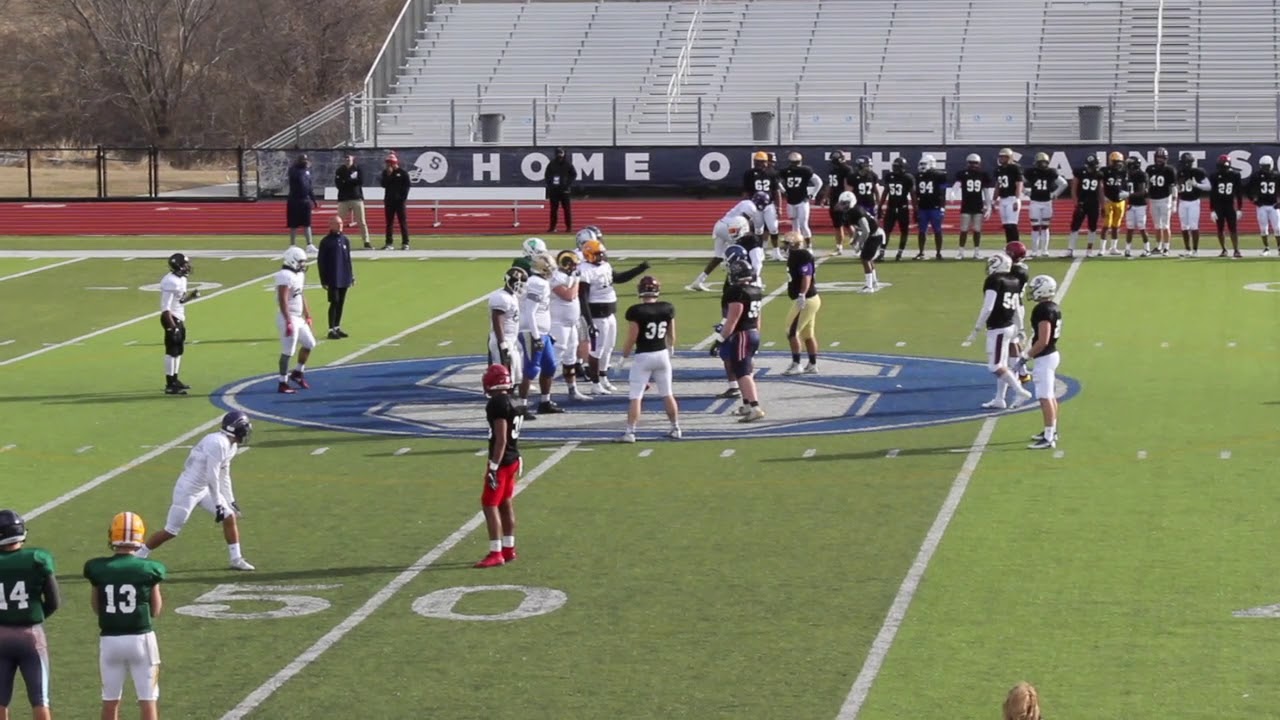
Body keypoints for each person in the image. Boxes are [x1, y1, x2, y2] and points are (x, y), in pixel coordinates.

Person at [136, 411, 255, 571]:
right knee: (171, 531)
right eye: (245, 427)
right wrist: (219, 503)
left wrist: (230, 500)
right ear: (237, 428)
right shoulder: (218, 443)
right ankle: (139, 555)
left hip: (204, 489)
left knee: (229, 516)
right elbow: (211, 475)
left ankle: (236, 558)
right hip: (188, 490)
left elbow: (223, 474)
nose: (247, 431)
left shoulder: (230, 445)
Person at [84, 512, 167, 720]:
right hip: (141, 640)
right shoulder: (150, 569)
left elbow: (97, 607)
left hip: (110, 640)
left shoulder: (98, 567)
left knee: (110, 701)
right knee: (147, 700)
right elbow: (155, 610)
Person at [0, 510, 59, 720]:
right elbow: (53, 602)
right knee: (39, 698)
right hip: (30, 636)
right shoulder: (37, 559)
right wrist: (32, 616)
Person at [578, 239, 650, 395]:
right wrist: (589, 322)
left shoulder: (605, 265)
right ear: (588, 255)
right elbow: (582, 298)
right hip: (597, 315)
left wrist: (639, 269)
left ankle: (603, 377)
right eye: (598, 254)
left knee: (609, 347)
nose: (602, 256)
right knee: (597, 350)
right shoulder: (585, 270)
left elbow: (619, 278)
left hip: (609, 313)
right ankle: (595, 383)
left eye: (602, 253)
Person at [965, 253, 1033, 410]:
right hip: (1010, 326)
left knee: (995, 366)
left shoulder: (994, 280)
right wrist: (1021, 327)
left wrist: (976, 329)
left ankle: (1019, 390)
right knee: (1002, 364)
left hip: (998, 327)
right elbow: (1016, 307)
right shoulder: (1014, 280)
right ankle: (999, 399)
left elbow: (988, 307)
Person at [616, 275, 680, 443]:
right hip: (662, 355)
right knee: (667, 394)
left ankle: (630, 432)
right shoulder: (667, 308)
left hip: (643, 356)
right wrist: (671, 347)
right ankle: (676, 427)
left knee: (636, 396)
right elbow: (672, 334)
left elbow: (632, 338)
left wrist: (623, 357)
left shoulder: (636, 311)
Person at [476, 364, 522, 568]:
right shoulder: (513, 400)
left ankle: (496, 552)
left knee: (489, 504)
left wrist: (493, 467)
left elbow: (501, 439)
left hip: (502, 461)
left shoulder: (497, 403)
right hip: (513, 458)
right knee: (505, 502)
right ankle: (508, 548)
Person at [712, 258, 765, 422]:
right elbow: (758, 319)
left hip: (742, 334)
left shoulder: (736, 292)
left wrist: (719, 341)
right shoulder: (755, 290)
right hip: (752, 332)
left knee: (743, 372)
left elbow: (732, 320)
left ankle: (755, 407)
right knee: (743, 369)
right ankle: (748, 405)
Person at [518, 252, 564, 418]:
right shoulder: (537, 283)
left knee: (550, 366)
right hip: (532, 332)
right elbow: (530, 312)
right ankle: (522, 406)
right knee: (531, 369)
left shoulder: (540, 282)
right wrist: (536, 337)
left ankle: (544, 402)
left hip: (541, 332)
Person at [1022, 275, 1062, 450]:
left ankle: (1048, 437)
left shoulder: (1042, 310)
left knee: (1045, 397)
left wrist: (1026, 355)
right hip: (1051, 354)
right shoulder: (1053, 307)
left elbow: (1043, 340)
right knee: (1049, 396)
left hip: (1045, 356)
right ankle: (1051, 430)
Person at [273, 246, 316, 395]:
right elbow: (282, 299)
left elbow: (300, 294)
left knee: (310, 343)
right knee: (288, 351)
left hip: (297, 316)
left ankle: (297, 372)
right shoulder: (284, 275)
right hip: (288, 316)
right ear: (292, 260)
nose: (303, 265)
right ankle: (282, 382)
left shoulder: (298, 275)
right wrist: (288, 320)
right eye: (301, 262)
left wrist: (308, 314)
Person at [548, 250, 591, 402]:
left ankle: (572, 390)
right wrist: (576, 281)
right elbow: (569, 296)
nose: (576, 268)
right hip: (558, 324)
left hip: (571, 323)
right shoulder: (556, 277)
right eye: (573, 264)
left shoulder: (568, 276)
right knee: (554, 358)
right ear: (565, 264)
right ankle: (545, 392)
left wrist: (574, 279)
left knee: (570, 358)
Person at [159, 253, 198, 396]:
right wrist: (172, 326)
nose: (188, 266)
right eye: (185, 264)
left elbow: (179, 301)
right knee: (172, 352)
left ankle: (175, 379)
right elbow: (165, 308)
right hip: (171, 318)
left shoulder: (181, 279)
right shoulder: (171, 281)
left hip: (178, 317)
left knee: (179, 351)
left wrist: (190, 297)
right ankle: (170, 383)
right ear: (179, 265)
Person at [781, 231, 820, 375]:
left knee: (791, 332)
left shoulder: (802, 255)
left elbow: (806, 276)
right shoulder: (795, 255)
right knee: (807, 334)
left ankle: (797, 364)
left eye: (786, 243)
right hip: (810, 299)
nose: (784, 246)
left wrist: (802, 294)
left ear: (792, 244)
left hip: (807, 299)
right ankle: (812, 364)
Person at [488, 267, 527, 409]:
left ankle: (511, 405)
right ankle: (503, 405)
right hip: (503, 340)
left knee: (516, 374)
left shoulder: (512, 296)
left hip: (511, 339)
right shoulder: (501, 297)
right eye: (517, 282)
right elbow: (497, 319)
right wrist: (502, 343)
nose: (519, 286)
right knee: (504, 376)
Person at [317, 217, 355, 340]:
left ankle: (337, 327)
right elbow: (321, 262)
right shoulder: (326, 242)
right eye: (337, 223)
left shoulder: (345, 240)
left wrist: (351, 275)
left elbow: (348, 259)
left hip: (344, 276)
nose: (340, 225)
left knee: (341, 303)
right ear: (331, 225)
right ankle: (331, 329)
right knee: (334, 302)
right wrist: (323, 279)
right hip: (333, 277)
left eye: (341, 223)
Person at [840, 194, 886, 293]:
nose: (843, 206)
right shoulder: (852, 211)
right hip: (874, 234)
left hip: (875, 235)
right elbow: (858, 228)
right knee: (868, 258)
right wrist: (855, 240)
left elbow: (866, 230)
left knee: (865, 258)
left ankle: (869, 287)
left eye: (845, 203)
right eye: (842, 204)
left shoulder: (855, 212)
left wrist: (860, 243)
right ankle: (874, 282)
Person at [1024, 152, 1067, 257]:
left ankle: (1044, 250)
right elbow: (1019, 182)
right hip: (1035, 202)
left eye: (1044, 162)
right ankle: (1034, 251)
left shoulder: (1051, 172)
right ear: (1036, 163)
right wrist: (1026, 191)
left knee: (1045, 227)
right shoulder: (1031, 172)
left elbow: (1064, 183)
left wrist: (1055, 194)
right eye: (1040, 162)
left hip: (1047, 202)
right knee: (1035, 227)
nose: (1042, 164)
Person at [743, 152, 783, 259]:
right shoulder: (749, 173)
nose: (759, 164)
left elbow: (776, 192)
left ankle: (776, 252)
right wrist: (746, 207)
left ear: (766, 162)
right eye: (757, 162)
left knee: (773, 228)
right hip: (755, 206)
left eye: (761, 162)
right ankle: (760, 251)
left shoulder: (772, 173)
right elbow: (746, 192)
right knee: (758, 229)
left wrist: (779, 208)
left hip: (769, 204)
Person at [778, 152, 822, 247]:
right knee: (795, 225)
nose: (794, 165)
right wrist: (783, 191)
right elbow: (776, 181)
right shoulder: (786, 171)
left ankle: (809, 246)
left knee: (803, 225)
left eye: (795, 162)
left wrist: (812, 195)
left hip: (802, 201)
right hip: (791, 201)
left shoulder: (805, 170)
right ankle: (798, 245)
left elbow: (818, 182)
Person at [954, 153, 993, 259]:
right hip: (966, 205)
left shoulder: (983, 175)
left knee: (977, 230)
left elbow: (986, 192)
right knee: (964, 230)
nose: (973, 165)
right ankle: (961, 252)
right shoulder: (962, 174)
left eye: (975, 163)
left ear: (979, 164)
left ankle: (976, 252)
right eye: (971, 163)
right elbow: (957, 185)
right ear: (967, 163)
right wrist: (953, 193)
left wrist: (988, 207)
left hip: (978, 206)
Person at [1067, 154, 1104, 257]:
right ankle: (1070, 249)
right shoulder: (1080, 173)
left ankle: (1089, 250)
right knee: (1075, 226)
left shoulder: (1099, 174)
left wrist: (1103, 206)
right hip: (1082, 203)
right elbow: (1073, 189)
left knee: (1092, 227)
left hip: (1093, 203)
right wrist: (1076, 203)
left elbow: (1100, 191)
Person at [1209, 154, 1244, 258]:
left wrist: (1239, 208)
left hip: (1229, 205)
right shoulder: (1214, 176)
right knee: (1220, 229)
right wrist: (1212, 209)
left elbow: (1239, 192)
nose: (1223, 169)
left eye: (1224, 166)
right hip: (1219, 205)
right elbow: (1212, 194)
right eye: (1221, 166)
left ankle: (1236, 250)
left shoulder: (1235, 175)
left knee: (1233, 228)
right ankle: (1224, 249)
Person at [913, 154, 947, 260]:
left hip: (935, 207)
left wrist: (942, 207)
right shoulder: (918, 176)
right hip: (923, 207)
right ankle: (921, 252)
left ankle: (938, 252)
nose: (922, 166)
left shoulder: (939, 175)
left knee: (938, 230)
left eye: (924, 164)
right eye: (921, 164)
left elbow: (942, 192)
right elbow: (915, 193)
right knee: (922, 231)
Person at [334, 153, 371, 249]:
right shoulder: (340, 170)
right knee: (339, 221)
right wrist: (350, 181)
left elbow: (360, 181)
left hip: (356, 197)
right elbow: (339, 185)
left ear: (353, 158)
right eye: (345, 158)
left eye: (348, 157)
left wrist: (346, 181)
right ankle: (337, 240)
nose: (347, 159)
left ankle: (366, 241)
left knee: (361, 221)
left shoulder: (357, 169)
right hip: (343, 199)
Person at [1176, 152, 1210, 256]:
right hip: (1182, 201)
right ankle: (1187, 249)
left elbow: (1208, 186)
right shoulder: (1180, 172)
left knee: (1193, 226)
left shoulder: (1198, 172)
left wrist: (1197, 185)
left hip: (1194, 201)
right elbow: (1177, 186)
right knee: (1184, 227)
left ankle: (1195, 250)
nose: (1185, 164)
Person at [1146, 147, 1178, 256]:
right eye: (1158, 157)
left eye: (1162, 158)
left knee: (1165, 225)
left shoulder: (1170, 170)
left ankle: (1166, 248)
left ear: (1166, 158)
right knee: (1157, 226)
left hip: (1165, 199)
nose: (1159, 160)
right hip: (1153, 199)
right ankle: (1158, 246)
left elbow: (1173, 187)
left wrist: (1174, 202)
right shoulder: (1150, 169)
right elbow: (1147, 185)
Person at [881, 157, 914, 261]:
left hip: (902, 208)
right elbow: (885, 191)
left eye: (897, 167)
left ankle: (899, 253)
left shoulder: (908, 178)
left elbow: (913, 194)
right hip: (891, 207)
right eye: (894, 166)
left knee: (904, 231)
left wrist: (915, 209)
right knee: (886, 231)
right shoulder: (889, 176)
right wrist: (880, 205)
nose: (895, 169)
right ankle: (882, 252)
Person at [379, 153, 411, 250]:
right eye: (387, 163)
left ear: (395, 163)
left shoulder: (403, 173)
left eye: (390, 163)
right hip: (389, 201)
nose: (388, 165)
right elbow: (383, 184)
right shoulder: (386, 173)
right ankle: (389, 243)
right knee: (389, 223)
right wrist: (388, 175)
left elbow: (407, 187)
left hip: (400, 202)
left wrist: (402, 199)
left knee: (402, 222)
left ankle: (405, 243)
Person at [822, 150, 852, 254]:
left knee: (848, 224)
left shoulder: (847, 170)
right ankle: (839, 247)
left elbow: (847, 185)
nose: (834, 162)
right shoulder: (833, 170)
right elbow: (830, 185)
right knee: (837, 225)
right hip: (834, 199)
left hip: (843, 200)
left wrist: (845, 200)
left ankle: (857, 244)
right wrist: (825, 197)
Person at [286, 154, 317, 253]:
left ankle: (309, 244)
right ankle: (292, 244)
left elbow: (309, 186)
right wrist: (304, 167)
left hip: (305, 200)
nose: (305, 162)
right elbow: (298, 178)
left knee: (307, 223)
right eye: (303, 160)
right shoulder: (294, 170)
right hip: (294, 200)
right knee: (293, 224)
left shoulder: (307, 171)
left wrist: (313, 199)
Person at [1248, 155, 1279, 257]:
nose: (1265, 168)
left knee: (1278, 228)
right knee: (1263, 229)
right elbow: (1248, 190)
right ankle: (1266, 248)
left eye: (1266, 166)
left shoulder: (1277, 175)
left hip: (1274, 205)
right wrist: (1255, 201)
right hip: (1262, 206)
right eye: (1263, 166)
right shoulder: (1256, 176)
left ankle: (1279, 248)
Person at [994, 147, 1024, 243]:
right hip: (1003, 199)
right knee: (1006, 225)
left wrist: (1017, 199)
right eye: (1000, 157)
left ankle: (1016, 246)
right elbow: (997, 185)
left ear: (1009, 157)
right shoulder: (999, 169)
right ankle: (1009, 246)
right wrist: (994, 200)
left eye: (1004, 157)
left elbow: (1019, 183)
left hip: (1012, 198)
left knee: (1012, 225)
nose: (1001, 159)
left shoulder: (1015, 167)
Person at [1123, 156, 1151, 257]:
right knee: (1130, 227)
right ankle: (1127, 249)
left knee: (1141, 227)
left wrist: (1128, 195)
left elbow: (1142, 192)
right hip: (1131, 204)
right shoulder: (1128, 175)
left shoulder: (1141, 175)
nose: (1127, 167)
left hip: (1140, 205)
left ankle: (1147, 249)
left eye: (1129, 165)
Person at [1101, 151, 1128, 255]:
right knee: (1106, 225)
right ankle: (1102, 248)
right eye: (1115, 161)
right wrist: (1103, 197)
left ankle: (1113, 248)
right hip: (1108, 200)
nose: (1117, 164)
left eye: (1119, 161)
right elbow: (1099, 184)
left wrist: (1126, 196)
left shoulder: (1124, 172)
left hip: (1120, 201)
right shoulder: (1105, 171)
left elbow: (1127, 186)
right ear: (1111, 161)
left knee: (1116, 226)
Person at [544, 148, 576, 233]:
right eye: (558, 154)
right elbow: (547, 175)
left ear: (564, 154)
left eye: (561, 154)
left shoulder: (568, 164)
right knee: (553, 210)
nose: (560, 156)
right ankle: (552, 227)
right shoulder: (551, 164)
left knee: (567, 209)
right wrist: (550, 185)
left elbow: (573, 174)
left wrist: (567, 184)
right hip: (554, 190)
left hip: (565, 190)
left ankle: (569, 227)